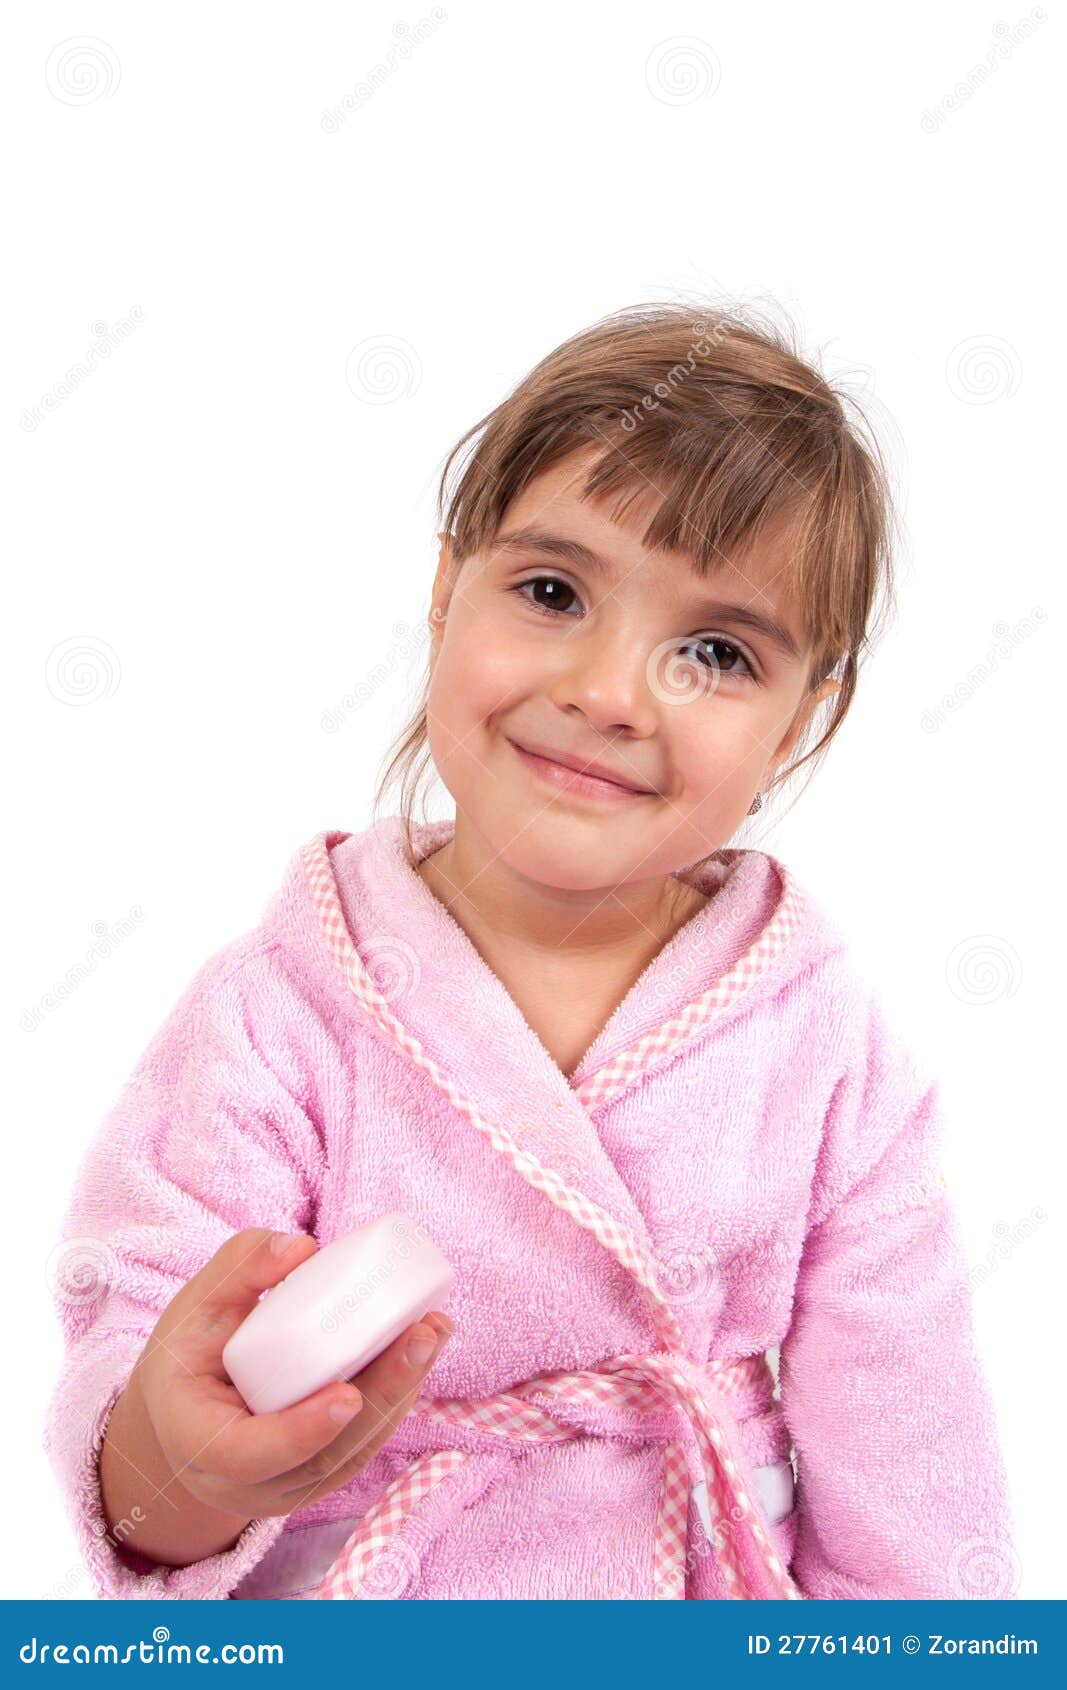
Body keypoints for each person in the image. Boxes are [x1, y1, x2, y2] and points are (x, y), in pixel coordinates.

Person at [44, 300, 1016, 1600]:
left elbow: (914, 1468)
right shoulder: (282, 1007)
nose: (611, 691)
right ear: (450, 588)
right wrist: (189, 1461)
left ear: (803, 719)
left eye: (716, 653)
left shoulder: (825, 1049)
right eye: (552, 591)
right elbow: (145, 1396)